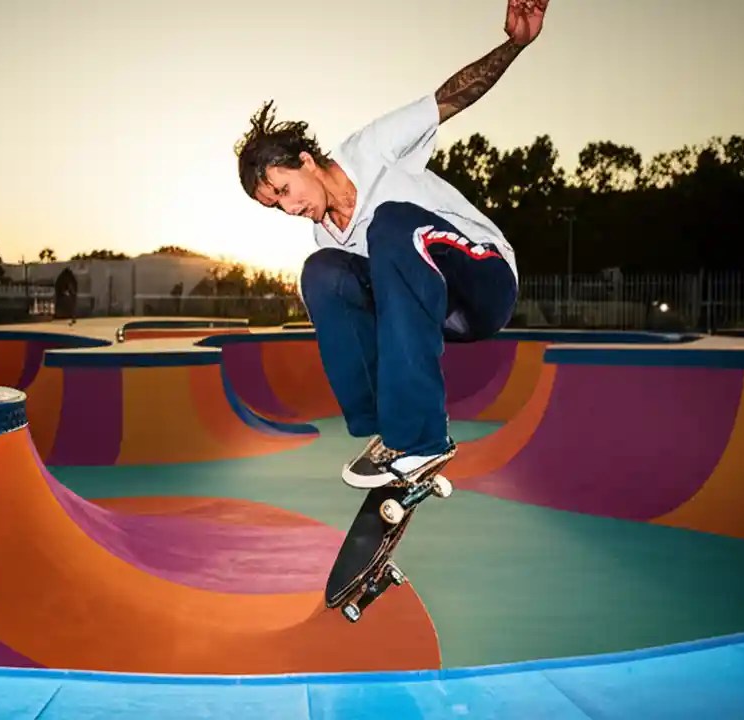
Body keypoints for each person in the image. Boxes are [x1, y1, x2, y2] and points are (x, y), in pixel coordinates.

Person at [234, 0, 547, 489]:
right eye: (274, 206)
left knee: (390, 223)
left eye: (284, 191)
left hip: (483, 278)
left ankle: (422, 437)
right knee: (322, 272)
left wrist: (516, 43)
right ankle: (391, 429)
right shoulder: (324, 234)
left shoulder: (372, 148)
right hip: (438, 310)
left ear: (307, 161)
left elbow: (452, 97)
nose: (288, 208)